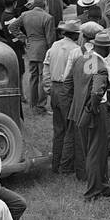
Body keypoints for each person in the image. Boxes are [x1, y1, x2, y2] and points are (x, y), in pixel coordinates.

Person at [74, 31, 110, 201]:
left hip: (80, 108)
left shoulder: (82, 58)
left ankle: (103, 186)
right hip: (94, 110)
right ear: (105, 49)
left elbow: (71, 81)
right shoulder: (101, 65)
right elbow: (97, 91)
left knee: (94, 149)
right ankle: (93, 191)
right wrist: (94, 107)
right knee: (95, 151)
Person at [43, 19, 84, 175]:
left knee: (58, 128)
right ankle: (66, 166)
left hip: (54, 88)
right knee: (70, 128)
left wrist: (48, 87)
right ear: (76, 35)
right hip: (67, 90)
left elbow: (45, 68)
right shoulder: (76, 50)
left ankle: (56, 164)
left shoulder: (53, 46)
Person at [18, 0, 55, 114]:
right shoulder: (47, 17)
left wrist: (24, 39)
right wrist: (51, 51)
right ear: (45, 4)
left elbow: (12, 27)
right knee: (42, 77)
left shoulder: (25, 14)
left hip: (31, 49)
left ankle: (33, 104)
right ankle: (40, 106)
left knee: (33, 77)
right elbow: (50, 38)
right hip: (43, 48)